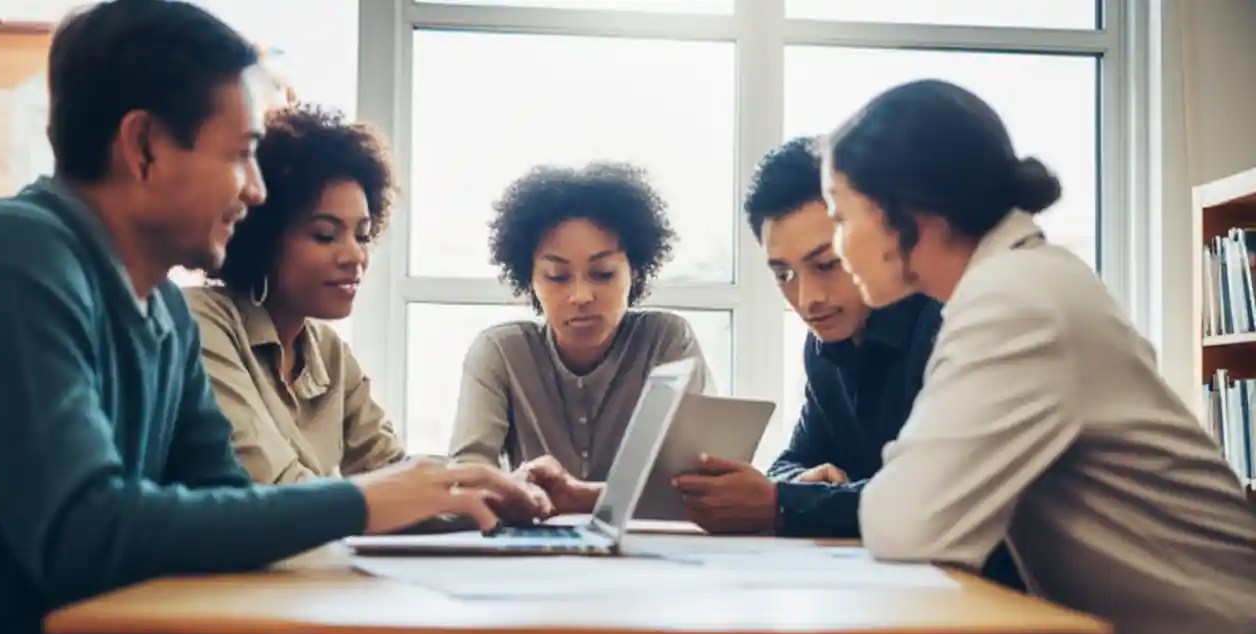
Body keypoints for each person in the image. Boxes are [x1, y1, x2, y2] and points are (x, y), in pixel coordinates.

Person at [0, 2, 539, 634]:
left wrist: (452, 495)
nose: (257, 188)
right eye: (240, 152)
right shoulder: (17, 259)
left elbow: (230, 506)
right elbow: (82, 532)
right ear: (143, 146)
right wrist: (362, 500)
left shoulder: (159, 314)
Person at [823, 79, 1256, 634]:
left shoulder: (1015, 299)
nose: (836, 244)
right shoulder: (1017, 283)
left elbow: (906, 526)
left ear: (909, 214)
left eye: (839, 213)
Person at [671, 136, 941, 538]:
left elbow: (931, 497)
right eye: (783, 274)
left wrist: (782, 504)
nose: (807, 299)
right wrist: (795, 487)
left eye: (827, 265)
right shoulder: (825, 345)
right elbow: (792, 462)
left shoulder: (942, 324)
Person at [450, 162, 712, 513]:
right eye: (557, 276)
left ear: (635, 273)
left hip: (649, 552)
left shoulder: (667, 340)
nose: (580, 296)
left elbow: (696, 485)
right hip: (533, 554)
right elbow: (467, 477)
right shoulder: (500, 352)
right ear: (530, 280)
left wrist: (580, 497)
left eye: (603, 274)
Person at [186, 103, 407, 484]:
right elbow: (272, 487)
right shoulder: (200, 322)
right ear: (263, 238)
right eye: (325, 234)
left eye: (363, 235)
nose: (355, 255)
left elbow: (397, 474)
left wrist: (508, 492)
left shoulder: (330, 354)